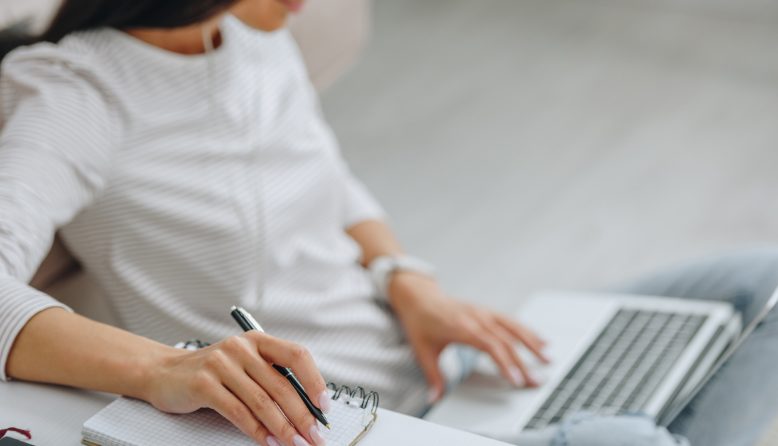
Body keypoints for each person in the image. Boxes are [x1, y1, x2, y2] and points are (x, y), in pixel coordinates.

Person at [0, 1, 776, 446]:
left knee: (762, 276)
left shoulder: (248, 37)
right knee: (632, 440)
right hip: (377, 428)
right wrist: (165, 369)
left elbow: (332, 183)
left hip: (452, 374)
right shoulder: (77, 96)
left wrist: (405, 280)